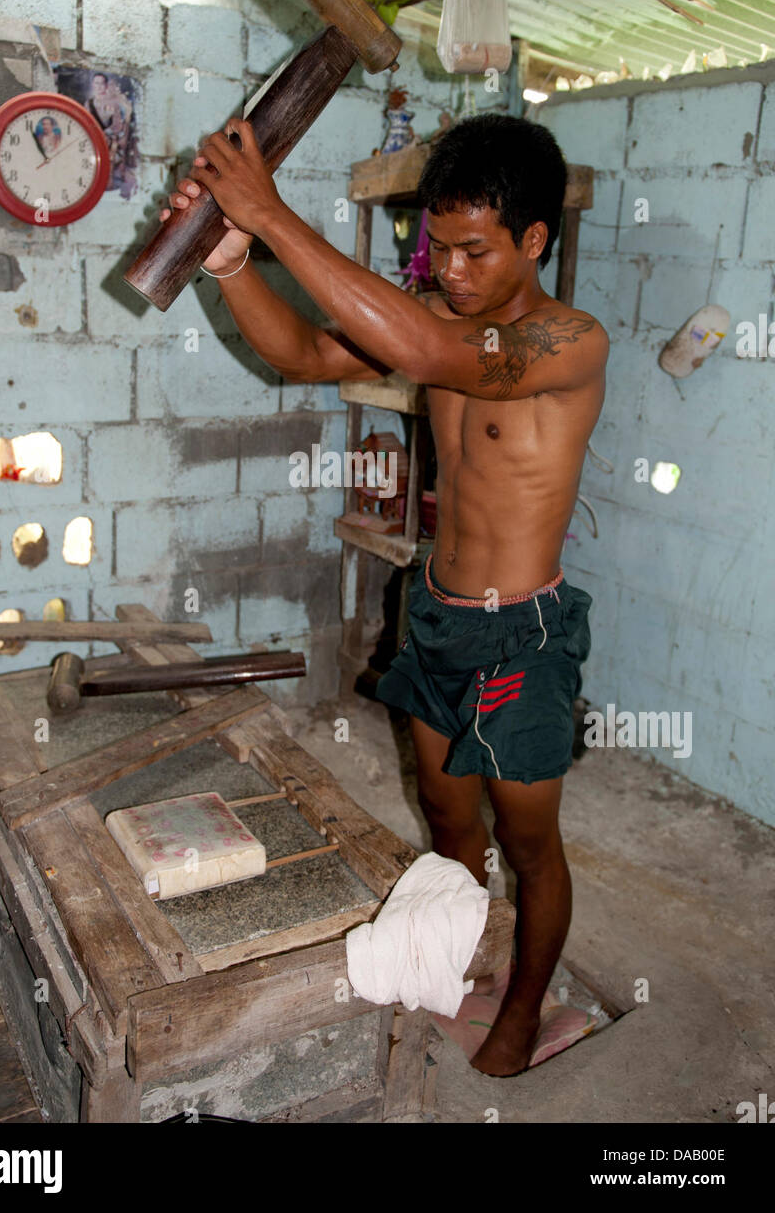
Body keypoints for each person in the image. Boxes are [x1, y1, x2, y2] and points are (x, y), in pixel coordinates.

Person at [160, 113, 608, 1077]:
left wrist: (272, 214)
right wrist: (236, 259)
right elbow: (305, 355)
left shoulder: (567, 341)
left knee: (530, 842)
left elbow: (437, 358)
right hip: (439, 615)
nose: (445, 269)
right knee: (450, 824)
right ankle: (465, 956)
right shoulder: (439, 320)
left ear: (534, 241)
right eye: (433, 247)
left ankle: (523, 1008)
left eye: (472, 250)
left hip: (523, 637)